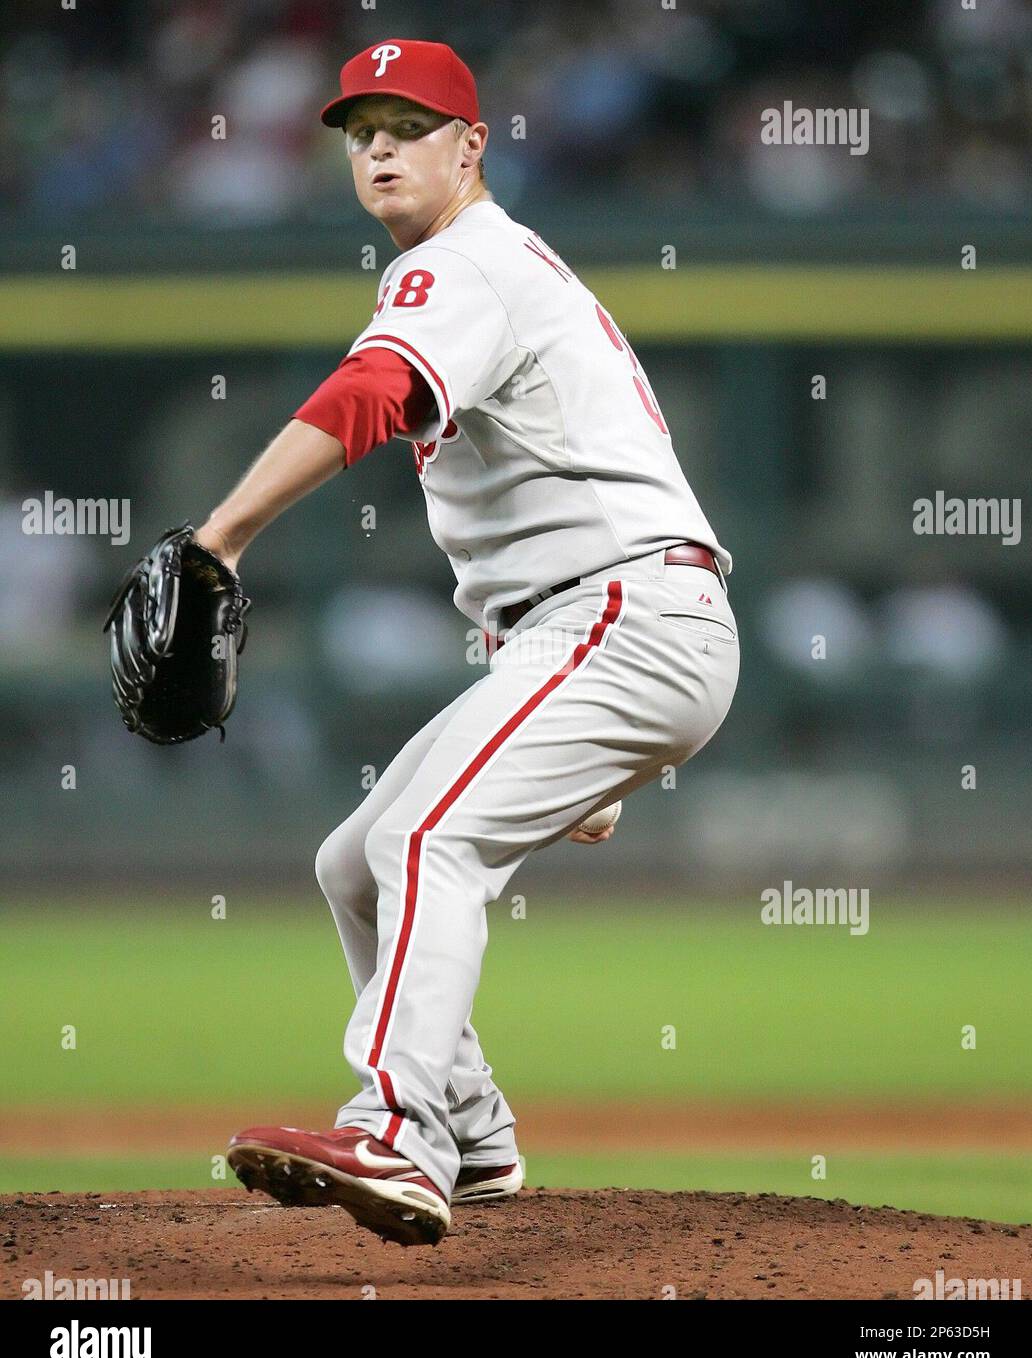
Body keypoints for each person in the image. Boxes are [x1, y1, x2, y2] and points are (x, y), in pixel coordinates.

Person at [207, 39, 740, 1247]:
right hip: (599, 623)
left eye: (410, 123)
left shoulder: (465, 264)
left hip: (622, 614)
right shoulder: (489, 270)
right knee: (353, 863)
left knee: (421, 837)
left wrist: (222, 535)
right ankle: (471, 1120)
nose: (382, 146)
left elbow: (369, 395)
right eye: (360, 131)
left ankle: (397, 1133)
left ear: (471, 145)